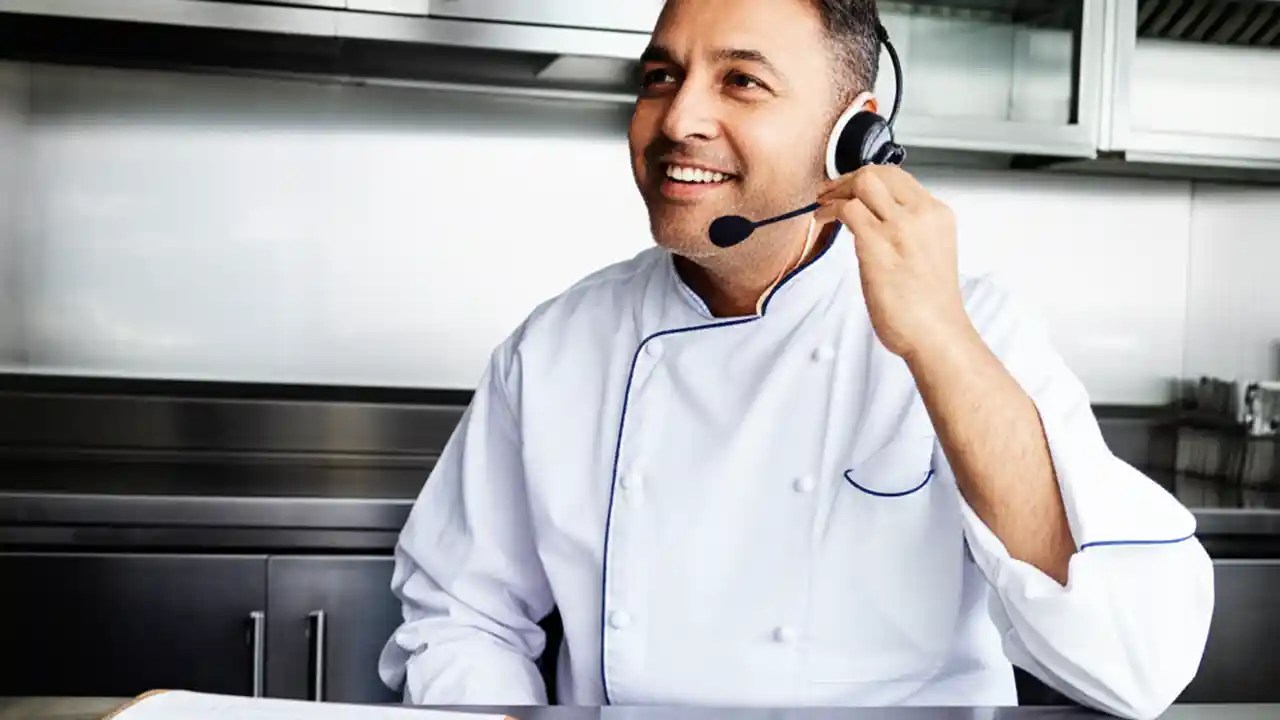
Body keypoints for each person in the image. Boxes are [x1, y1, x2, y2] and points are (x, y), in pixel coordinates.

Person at [378, 1, 1214, 717]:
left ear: (853, 131)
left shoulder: (969, 326)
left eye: (741, 80)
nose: (677, 120)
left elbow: (1134, 663)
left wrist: (938, 342)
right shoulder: (557, 346)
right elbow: (463, 614)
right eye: (661, 76)